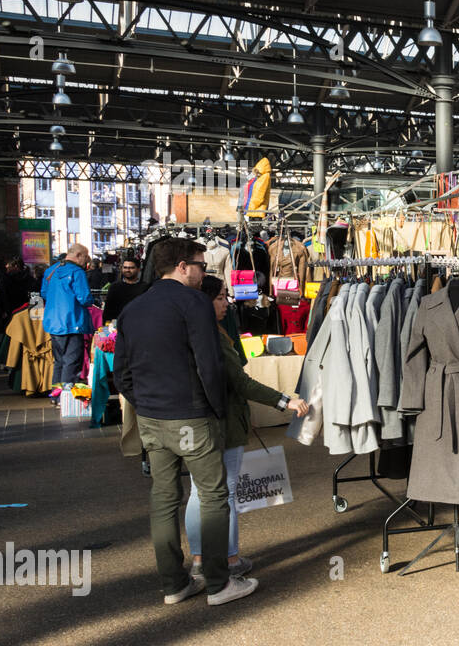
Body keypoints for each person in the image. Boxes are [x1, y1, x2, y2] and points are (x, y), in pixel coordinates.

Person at [113, 237, 256, 607]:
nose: (203, 271)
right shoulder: (193, 302)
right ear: (181, 266)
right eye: (201, 265)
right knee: (212, 495)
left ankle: (174, 584)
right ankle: (218, 583)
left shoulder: (133, 308)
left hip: (152, 417)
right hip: (192, 413)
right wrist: (215, 408)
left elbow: (122, 372)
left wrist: (143, 402)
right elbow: (209, 363)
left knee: (163, 499)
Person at [183, 276, 308, 577]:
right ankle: (229, 560)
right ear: (204, 300)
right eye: (220, 298)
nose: (226, 303)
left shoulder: (189, 332)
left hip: (195, 423)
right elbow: (241, 382)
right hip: (221, 423)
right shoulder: (213, 336)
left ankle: (200, 560)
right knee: (223, 493)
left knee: (198, 492)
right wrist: (283, 400)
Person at [40, 244, 95, 391]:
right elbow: (84, 298)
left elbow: (44, 294)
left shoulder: (51, 271)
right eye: (85, 256)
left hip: (53, 323)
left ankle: (56, 394)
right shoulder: (77, 272)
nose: (86, 260)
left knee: (59, 361)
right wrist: (93, 300)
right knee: (72, 362)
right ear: (78, 255)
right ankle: (66, 398)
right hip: (72, 323)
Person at [102, 256, 148, 323]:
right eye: (125, 267)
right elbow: (108, 310)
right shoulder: (115, 287)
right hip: (118, 325)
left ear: (138, 269)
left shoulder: (145, 287)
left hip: (139, 324)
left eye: (131, 268)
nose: (127, 270)